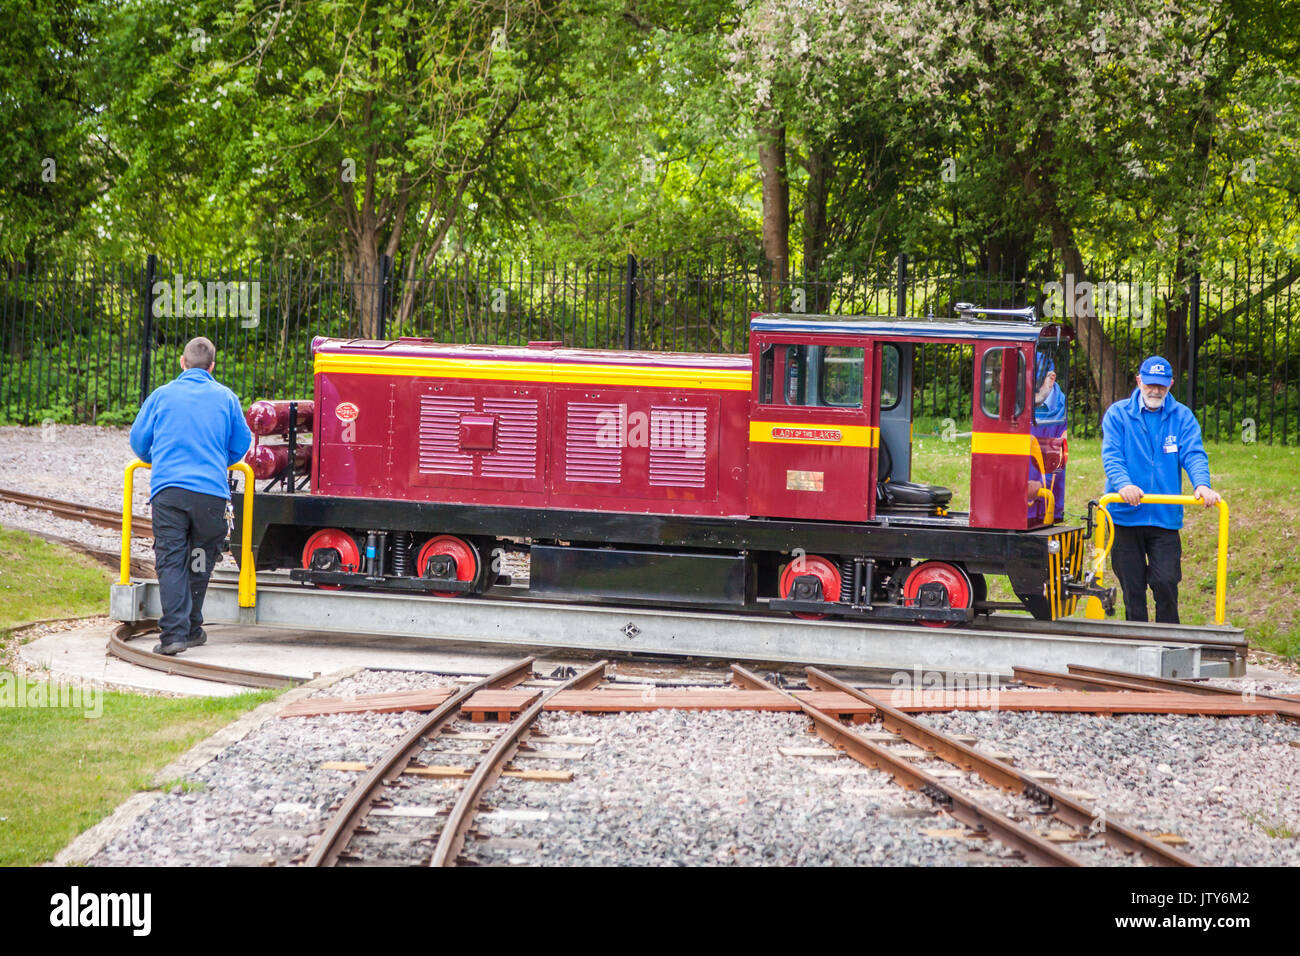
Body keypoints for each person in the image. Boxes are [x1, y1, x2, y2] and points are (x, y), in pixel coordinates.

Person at [129, 337, 252, 655]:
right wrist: (216, 460)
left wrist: (161, 458)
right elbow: (241, 444)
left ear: (182, 363)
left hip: (169, 492)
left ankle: (174, 636)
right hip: (211, 494)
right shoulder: (226, 398)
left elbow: (140, 442)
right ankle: (193, 627)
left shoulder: (162, 395)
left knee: (171, 560)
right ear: (212, 367)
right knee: (200, 559)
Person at [1100, 355, 1220, 623]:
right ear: (1139, 380)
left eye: (1162, 386)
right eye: (1150, 384)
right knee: (1132, 588)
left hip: (1164, 517)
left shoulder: (1182, 417)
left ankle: (1169, 639)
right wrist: (1124, 484)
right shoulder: (1118, 414)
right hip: (1125, 516)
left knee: (1165, 581)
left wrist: (1202, 484)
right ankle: (1137, 643)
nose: (1155, 391)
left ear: (1171, 384)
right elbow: (1112, 456)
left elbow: (1194, 454)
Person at [1030, 353, 1067, 523]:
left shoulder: (1060, 410)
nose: (1031, 389)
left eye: (1036, 384)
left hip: (1047, 503)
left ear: (1051, 379)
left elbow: (1059, 455)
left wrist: (1041, 484)